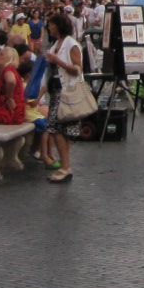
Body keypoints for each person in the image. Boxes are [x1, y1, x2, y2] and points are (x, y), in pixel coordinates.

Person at [43, 12, 83, 183]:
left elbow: (77, 69)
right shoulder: (57, 44)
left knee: (57, 128)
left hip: (66, 90)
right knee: (58, 129)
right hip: (56, 89)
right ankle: (65, 166)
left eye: (51, 25)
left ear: (58, 26)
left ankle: (65, 166)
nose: (49, 28)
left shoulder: (71, 44)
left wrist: (57, 61)